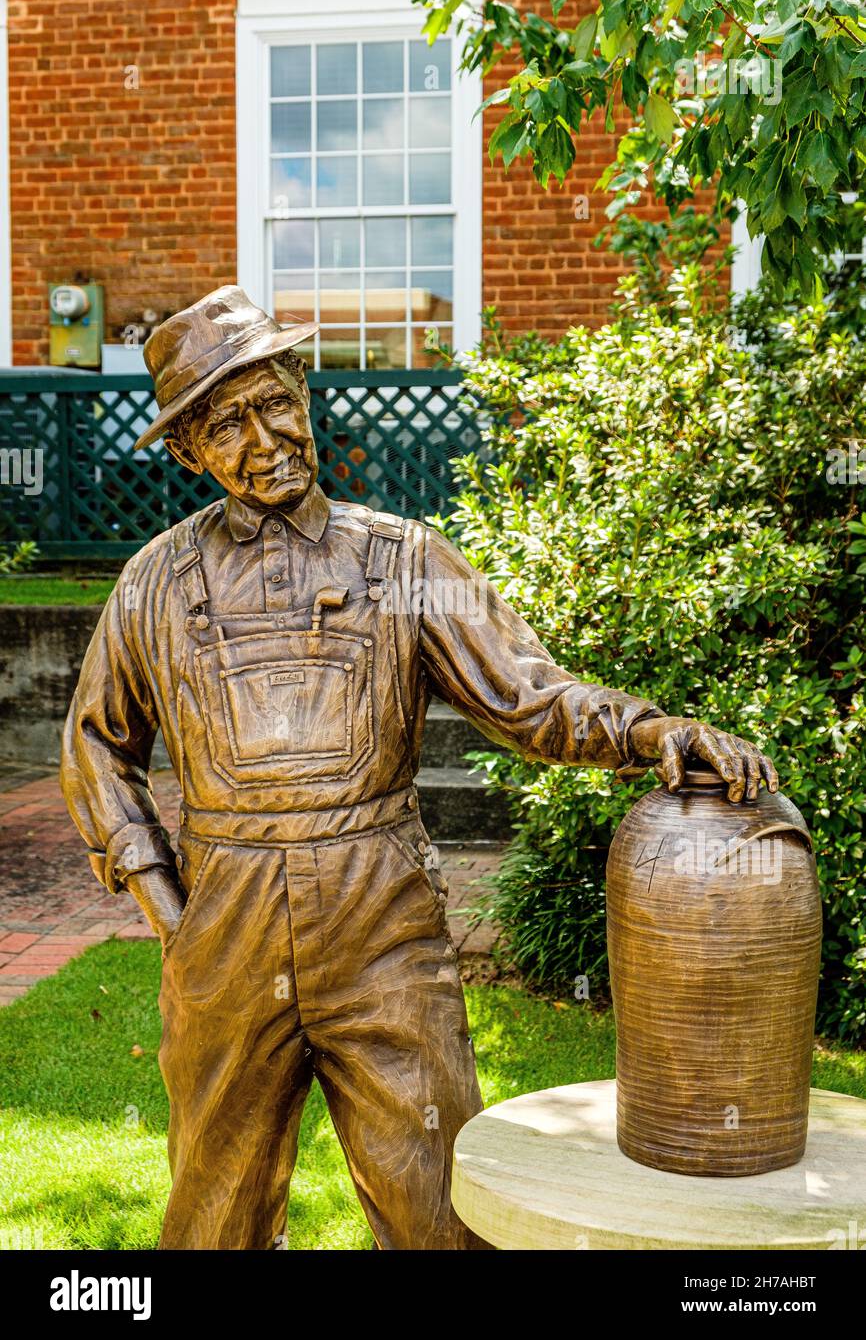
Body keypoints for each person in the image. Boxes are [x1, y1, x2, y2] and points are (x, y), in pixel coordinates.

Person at [61, 286, 778, 1250]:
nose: (264, 436)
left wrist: (649, 733)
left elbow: (527, 694)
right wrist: (165, 906)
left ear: (305, 392)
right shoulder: (153, 581)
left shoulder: (404, 560)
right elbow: (96, 744)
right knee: (214, 1211)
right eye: (225, 424)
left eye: (274, 400)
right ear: (189, 452)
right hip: (222, 926)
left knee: (437, 1205)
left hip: (380, 918)